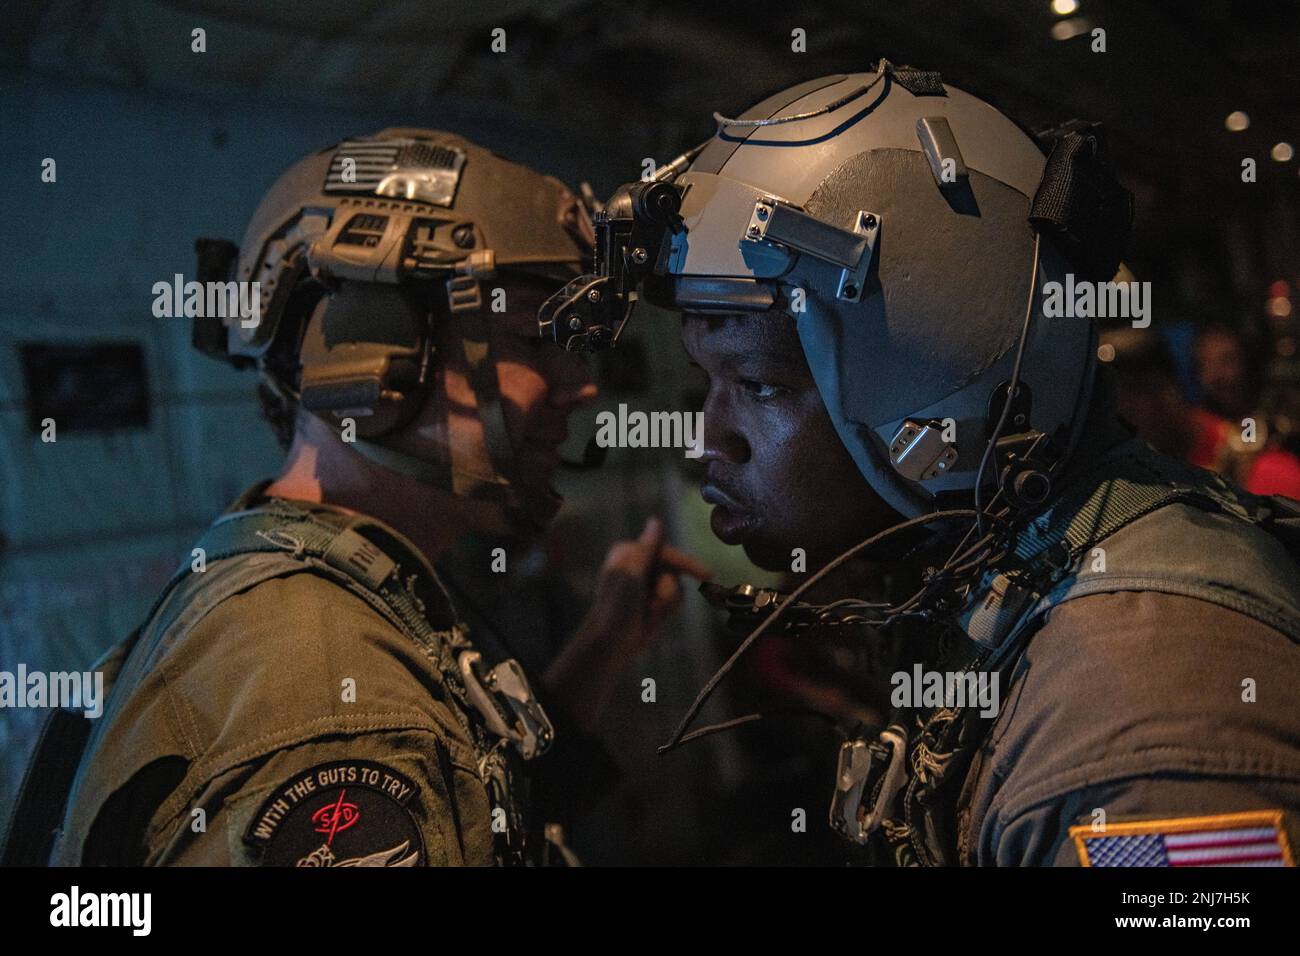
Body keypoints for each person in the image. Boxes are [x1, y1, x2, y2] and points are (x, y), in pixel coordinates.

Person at [542, 62, 1300, 866]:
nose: (709, 440)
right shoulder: (1020, 581)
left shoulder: (1140, 730)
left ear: (947, 385)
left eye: (758, 384)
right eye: (708, 381)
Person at [19, 128, 707, 867]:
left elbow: (482, 816)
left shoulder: (296, 575)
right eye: (536, 342)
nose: (582, 387)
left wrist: (604, 643)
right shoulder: (328, 700)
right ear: (365, 351)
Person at [1103, 326, 1300, 498]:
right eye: (1111, 399)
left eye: (1136, 390)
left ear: (1169, 389)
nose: (1123, 409)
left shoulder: (1259, 467)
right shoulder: (1131, 478)